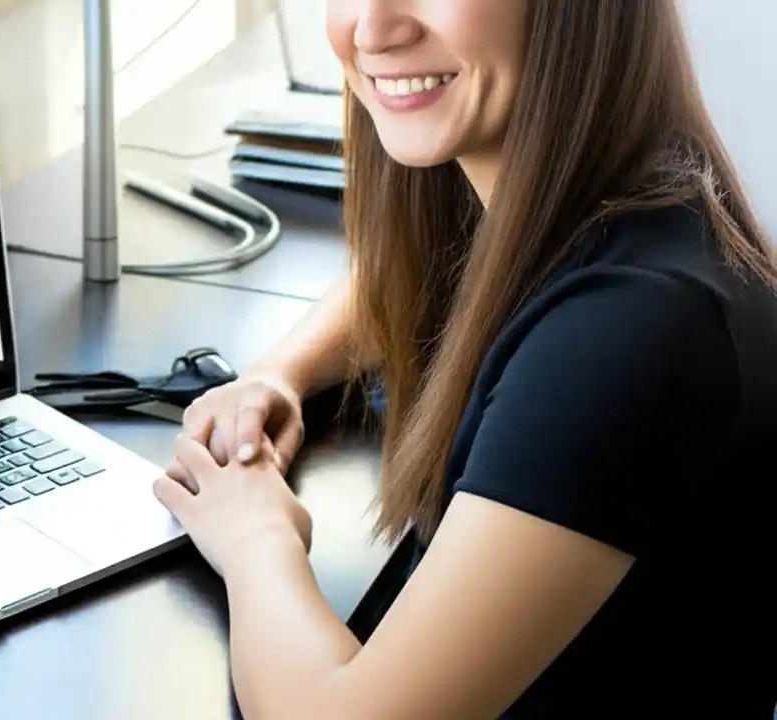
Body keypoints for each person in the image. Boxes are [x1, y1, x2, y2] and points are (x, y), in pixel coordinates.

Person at [152, 1, 777, 717]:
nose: (373, 30)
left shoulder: (629, 336)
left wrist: (256, 537)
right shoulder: (601, 188)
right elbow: (403, 273)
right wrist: (278, 373)